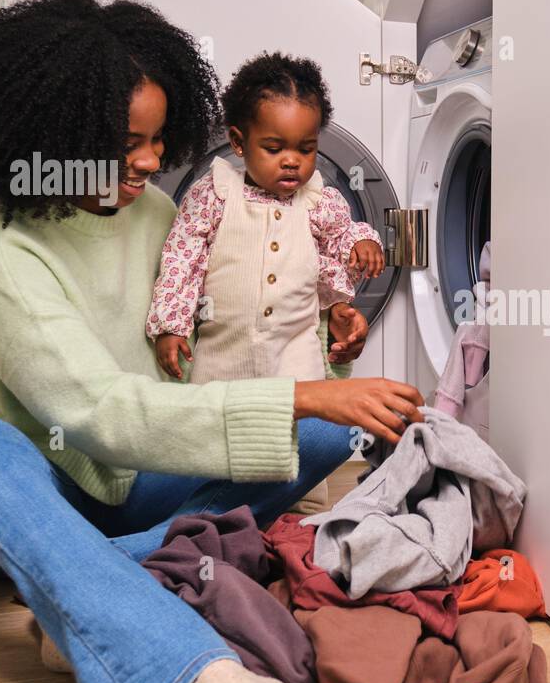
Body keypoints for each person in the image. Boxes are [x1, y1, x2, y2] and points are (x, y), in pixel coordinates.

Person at [0, 0, 424, 683]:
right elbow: (103, 413)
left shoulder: (153, 214)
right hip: (28, 494)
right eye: (127, 143)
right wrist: (304, 396)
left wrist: (333, 326)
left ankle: (81, 592)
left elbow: (218, 330)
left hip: (129, 486)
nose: (152, 162)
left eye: (160, 140)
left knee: (327, 436)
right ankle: (206, 677)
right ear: (58, 135)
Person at [146, 52, 386, 514]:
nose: (293, 162)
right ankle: (211, 513)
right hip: (224, 352)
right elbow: (182, 256)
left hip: (293, 352)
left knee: (303, 437)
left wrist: (363, 241)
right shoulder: (215, 193)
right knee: (217, 438)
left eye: (306, 148)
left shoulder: (319, 201)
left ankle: (297, 513)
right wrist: (172, 324)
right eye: (274, 149)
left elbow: (342, 238)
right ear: (239, 142)